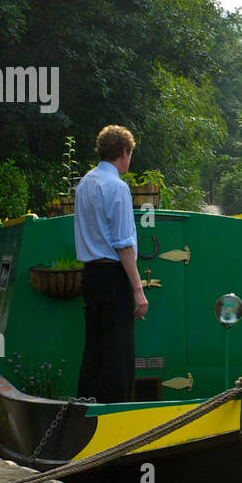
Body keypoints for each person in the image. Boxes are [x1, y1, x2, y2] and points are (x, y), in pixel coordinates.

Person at [74, 125, 148, 403]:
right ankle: (116, 412)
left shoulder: (84, 184)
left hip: (91, 276)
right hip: (113, 276)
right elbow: (123, 244)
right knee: (119, 351)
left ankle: (86, 408)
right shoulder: (117, 187)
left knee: (94, 347)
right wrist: (138, 289)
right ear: (124, 152)